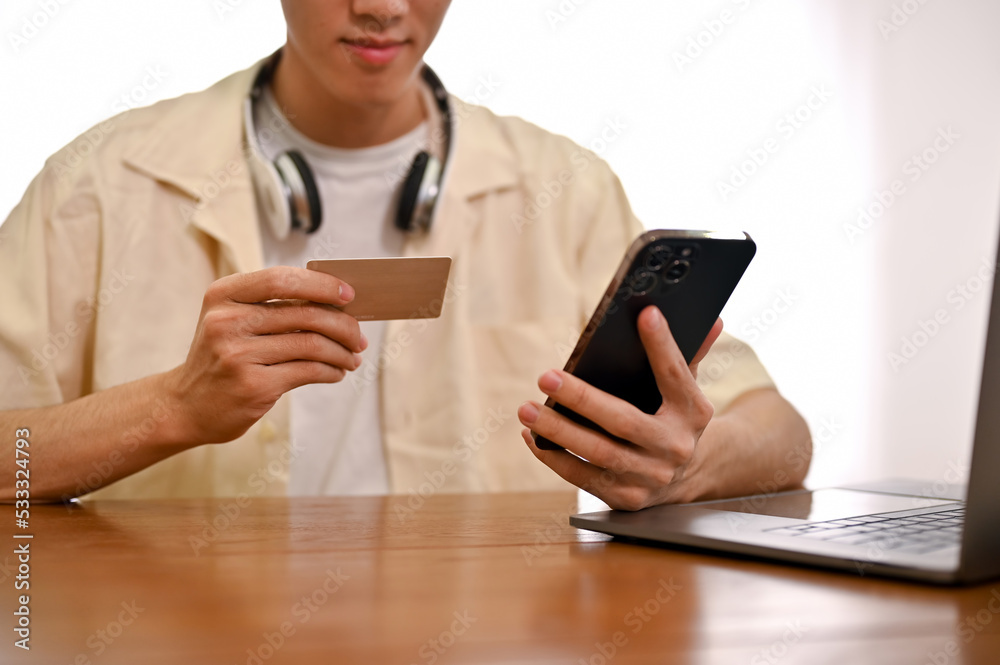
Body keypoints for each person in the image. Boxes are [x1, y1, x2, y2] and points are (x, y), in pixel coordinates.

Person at [0, 0, 810, 509]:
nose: (382, 7)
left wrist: (685, 468)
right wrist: (170, 408)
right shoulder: (97, 186)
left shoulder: (564, 191)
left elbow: (782, 435)